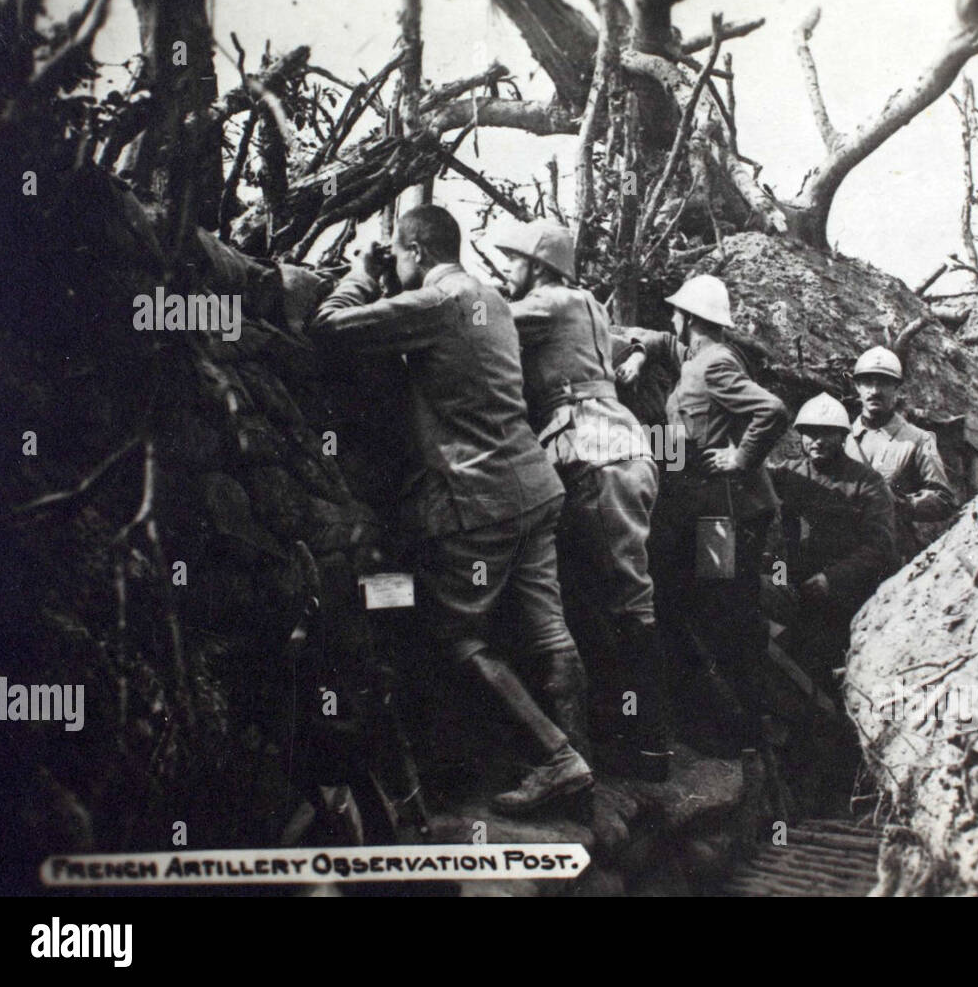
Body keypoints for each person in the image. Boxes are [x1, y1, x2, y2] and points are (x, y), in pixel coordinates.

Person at [309, 205, 591, 817]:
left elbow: (328, 325)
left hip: (479, 499)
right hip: (535, 491)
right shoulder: (489, 296)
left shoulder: (436, 303)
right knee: (547, 628)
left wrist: (362, 274)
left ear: (413, 249)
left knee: (455, 635)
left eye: (399, 254)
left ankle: (557, 758)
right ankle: (580, 766)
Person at [496, 220, 671, 782]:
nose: (507, 271)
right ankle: (640, 743)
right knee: (621, 599)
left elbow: (480, 319)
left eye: (514, 262)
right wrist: (639, 350)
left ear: (540, 267)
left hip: (593, 457)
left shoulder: (549, 302)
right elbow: (637, 337)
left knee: (621, 605)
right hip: (624, 452)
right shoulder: (588, 304)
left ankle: (640, 747)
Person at [617, 275, 788, 753]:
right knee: (704, 607)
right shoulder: (693, 356)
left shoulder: (713, 366)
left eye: (677, 313)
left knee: (723, 614)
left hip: (725, 515)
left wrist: (741, 456)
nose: (671, 320)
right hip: (707, 509)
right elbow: (659, 340)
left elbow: (772, 410)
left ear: (690, 318)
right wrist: (635, 351)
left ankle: (740, 731)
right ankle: (733, 724)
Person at [765, 393, 897, 691]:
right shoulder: (790, 474)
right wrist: (780, 577)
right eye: (810, 433)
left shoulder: (866, 482)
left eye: (827, 433)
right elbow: (775, 537)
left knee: (832, 672)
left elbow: (881, 546)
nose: (817, 441)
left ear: (842, 437)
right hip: (797, 589)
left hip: (845, 597)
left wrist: (831, 579)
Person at [849, 346, 957, 559]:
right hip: (844, 550)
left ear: (897, 388)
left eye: (884, 383)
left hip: (891, 550)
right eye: (868, 382)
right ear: (857, 387)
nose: (875, 390)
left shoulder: (919, 439)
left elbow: (943, 500)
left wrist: (900, 504)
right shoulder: (843, 438)